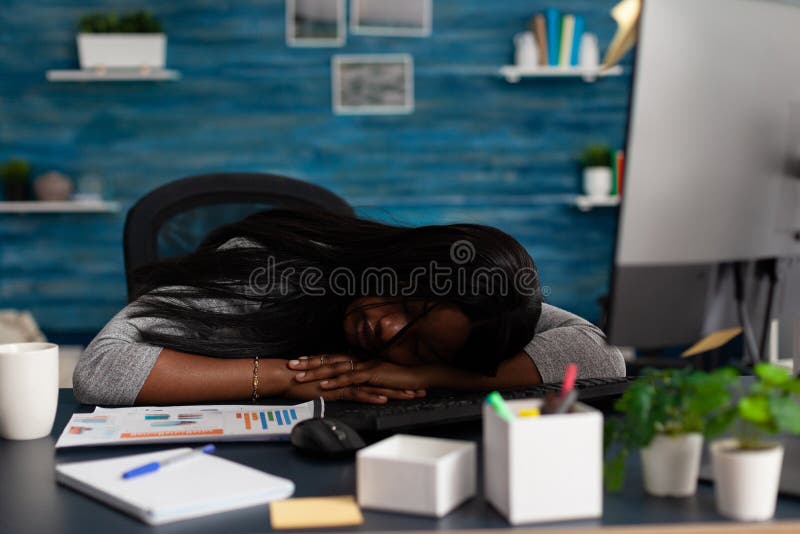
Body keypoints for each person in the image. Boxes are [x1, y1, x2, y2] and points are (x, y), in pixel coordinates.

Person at [73, 209, 625, 406]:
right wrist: (285, 378)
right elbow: (101, 370)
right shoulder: (269, 269)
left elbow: (598, 355)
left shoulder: (481, 310)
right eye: (405, 299)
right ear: (407, 259)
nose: (386, 329)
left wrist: (433, 373)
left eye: (420, 344)